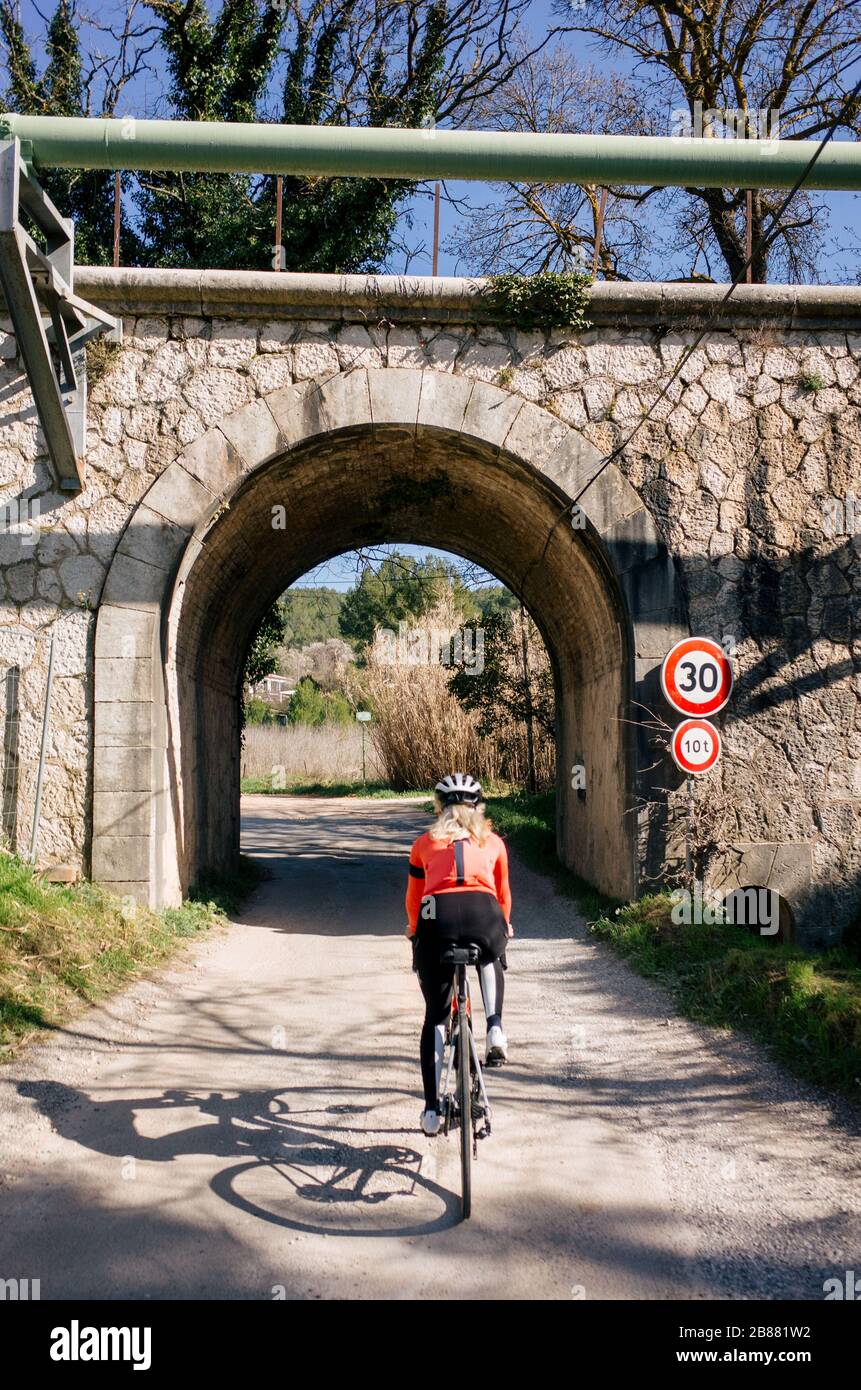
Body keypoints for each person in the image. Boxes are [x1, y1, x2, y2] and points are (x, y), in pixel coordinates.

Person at [404, 772, 514, 1137]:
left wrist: (413, 930)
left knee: (434, 1017)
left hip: (438, 920)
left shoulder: (423, 844)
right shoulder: (494, 843)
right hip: (483, 914)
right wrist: (505, 927)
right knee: (490, 952)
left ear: (439, 808)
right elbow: (503, 896)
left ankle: (432, 1110)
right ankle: (494, 1027)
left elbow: (414, 899)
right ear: (478, 808)